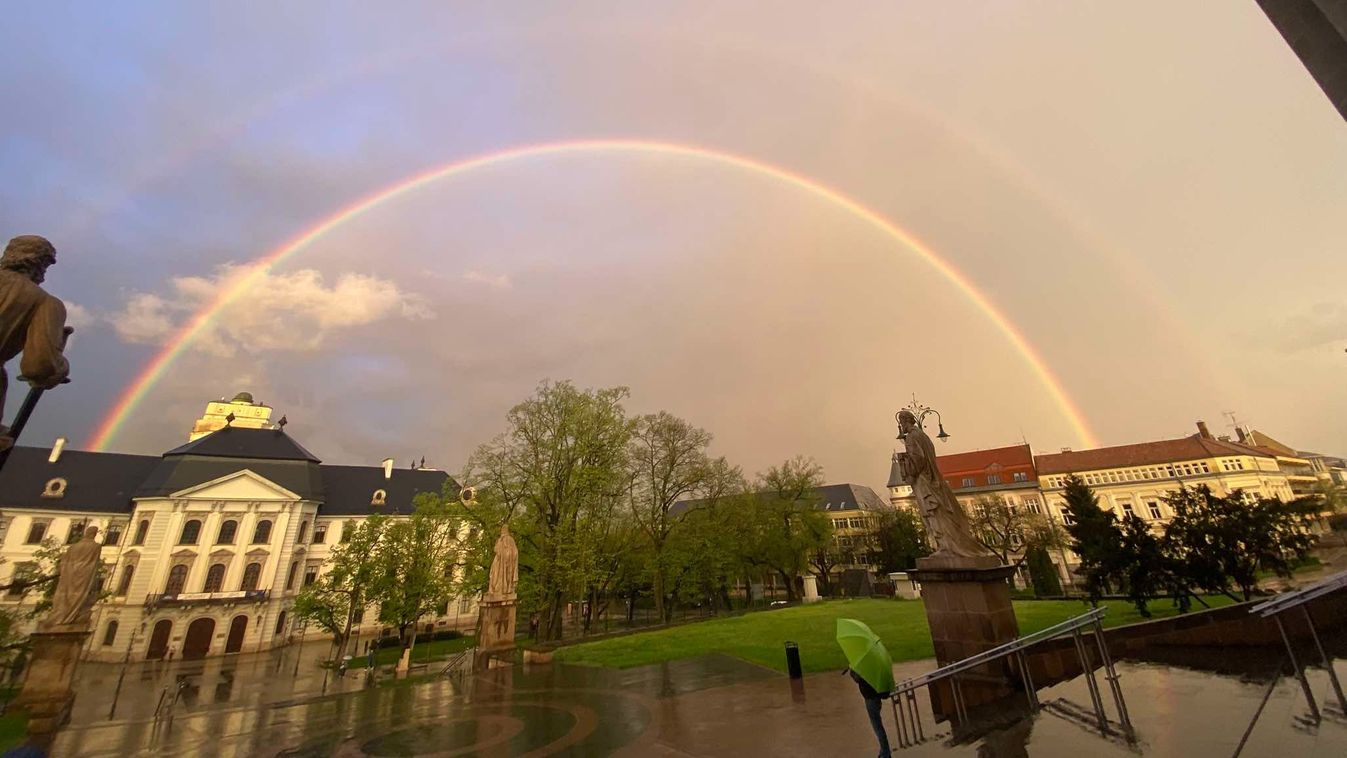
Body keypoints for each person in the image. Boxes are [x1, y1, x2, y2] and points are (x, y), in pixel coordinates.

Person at [846, 666, 891, 758]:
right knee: (878, 726)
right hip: (875, 698)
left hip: (871, 699)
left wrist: (852, 671)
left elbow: (858, 679)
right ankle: (884, 752)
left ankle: (886, 753)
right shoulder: (873, 665)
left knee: (877, 727)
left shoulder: (864, 667)